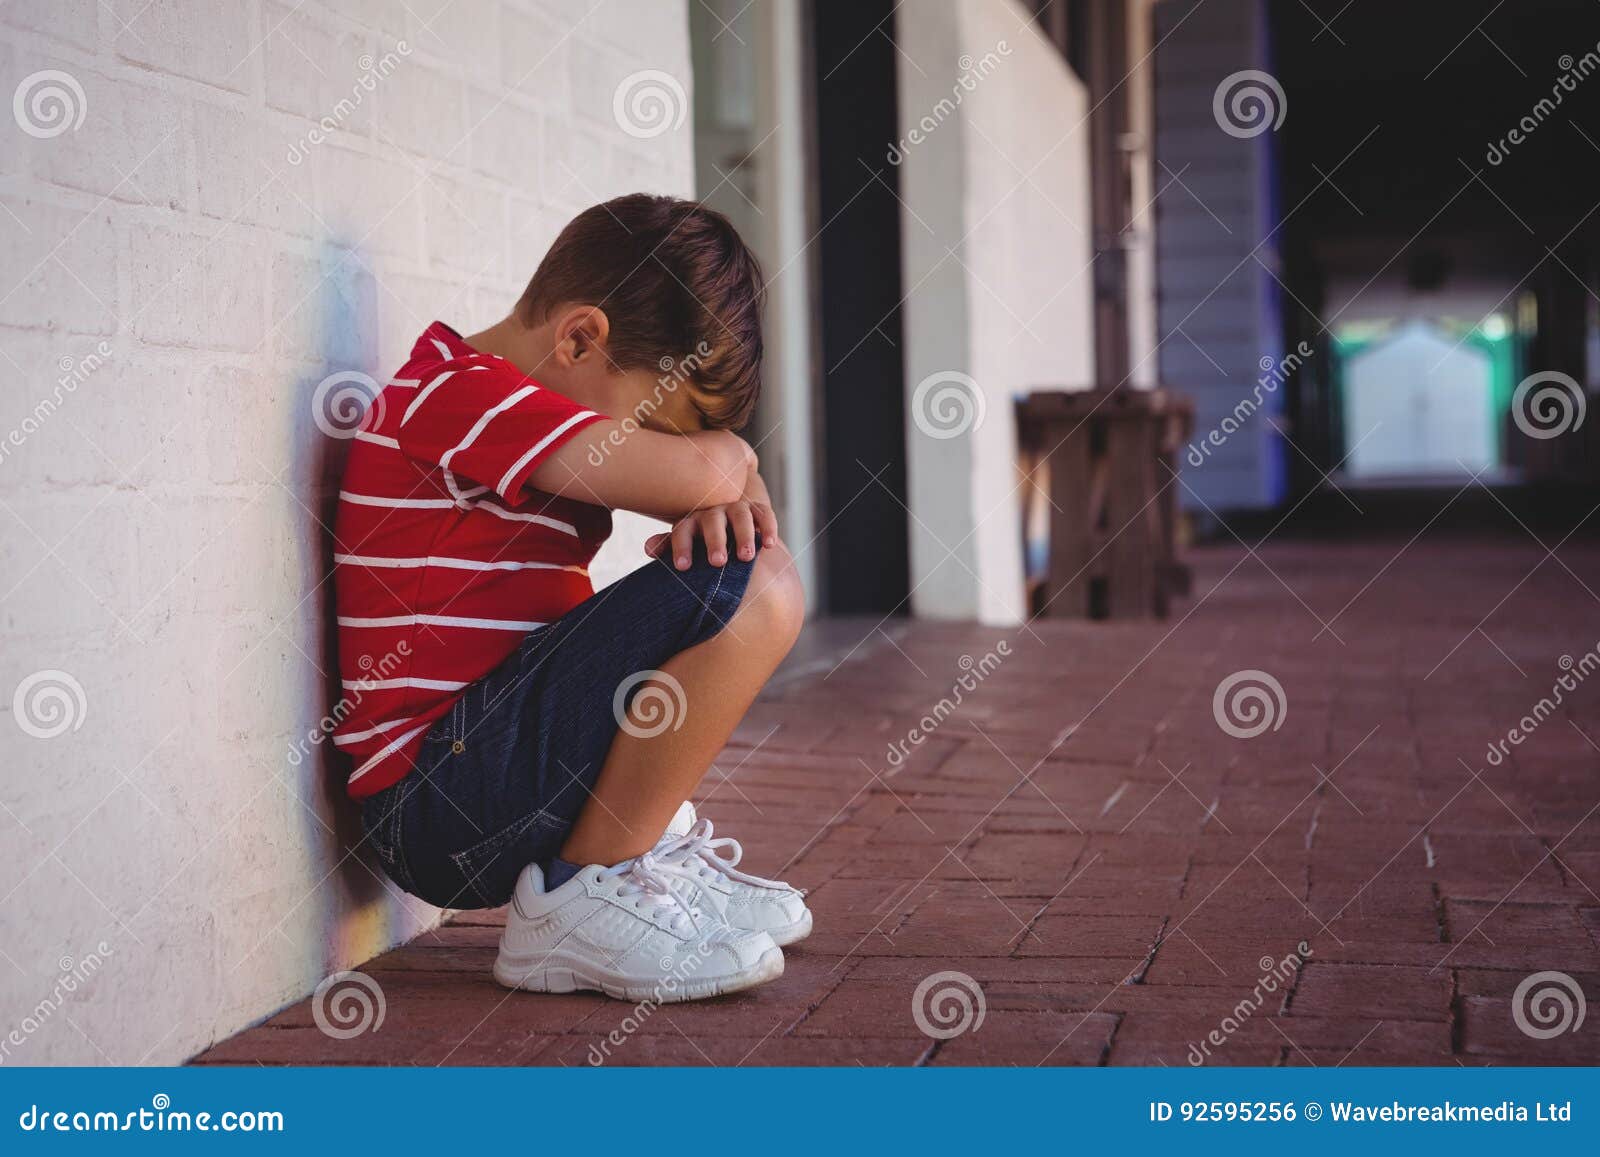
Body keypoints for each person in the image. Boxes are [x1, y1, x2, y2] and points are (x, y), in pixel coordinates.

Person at [331, 194, 810, 1002]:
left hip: (483, 771)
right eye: (666, 427)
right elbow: (717, 476)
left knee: (754, 572)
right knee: (757, 587)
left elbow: (729, 498)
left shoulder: (502, 404)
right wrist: (728, 465)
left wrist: (725, 495)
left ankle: (632, 854)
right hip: (433, 802)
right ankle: (577, 894)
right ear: (581, 338)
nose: (672, 448)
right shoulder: (457, 396)